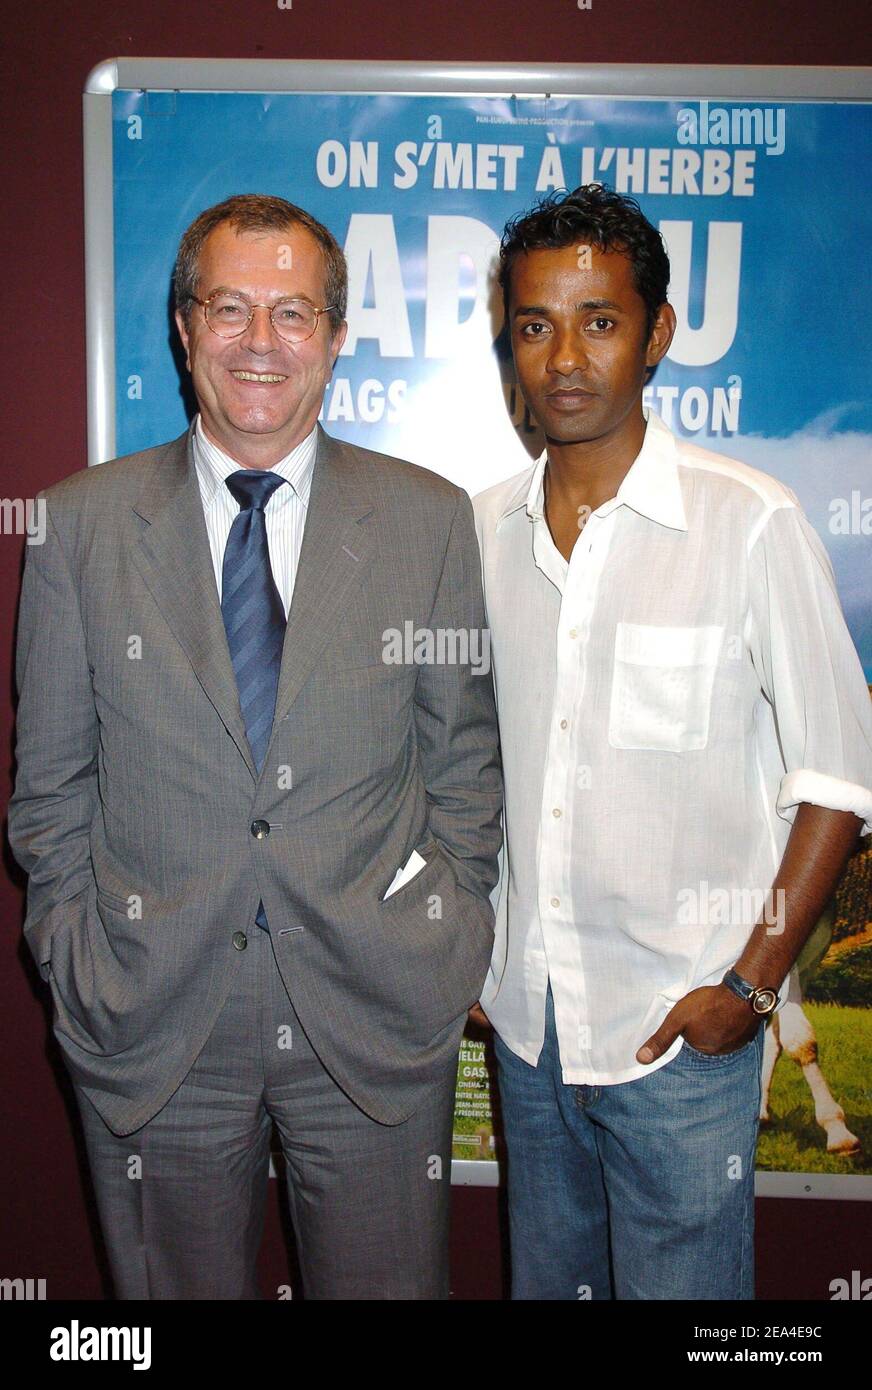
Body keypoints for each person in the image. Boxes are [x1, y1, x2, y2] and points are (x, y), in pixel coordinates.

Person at [9, 193, 502, 1300]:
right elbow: (48, 791)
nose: (260, 343)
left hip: (375, 1010)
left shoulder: (426, 519)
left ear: (336, 337)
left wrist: (445, 935)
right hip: (150, 1014)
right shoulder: (77, 526)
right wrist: (78, 954)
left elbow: (466, 769)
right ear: (184, 328)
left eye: (293, 312)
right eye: (229, 308)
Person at [471, 184, 872, 1300]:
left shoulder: (750, 524)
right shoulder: (481, 530)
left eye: (598, 320)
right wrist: (479, 949)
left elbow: (837, 781)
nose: (562, 356)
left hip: (680, 1038)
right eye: (534, 323)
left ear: (655, 333)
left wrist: (744, 990)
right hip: (529, 1034)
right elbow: (465, 765)